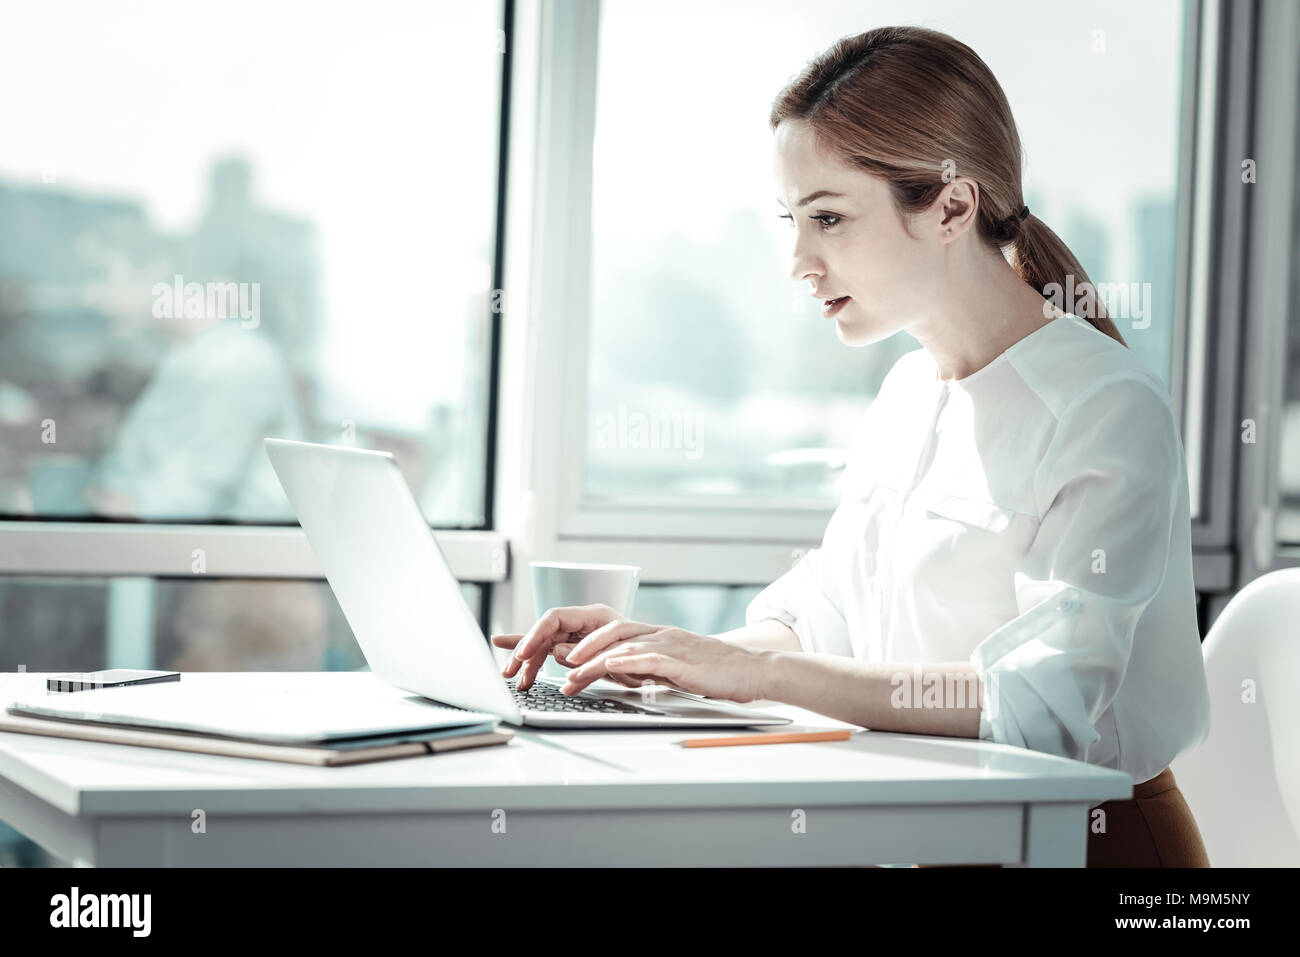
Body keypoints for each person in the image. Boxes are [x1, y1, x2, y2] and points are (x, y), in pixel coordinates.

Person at [492, 25, 1212, 868]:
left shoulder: (1108, 407)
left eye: (828, 218)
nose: (799, 261)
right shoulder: (906, 394)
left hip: (1090, 844)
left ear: (951, 206)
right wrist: (664, 658)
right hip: (924, 826)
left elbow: (1043, 706)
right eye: (793, 222)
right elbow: (824, 616)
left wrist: (752, 675)